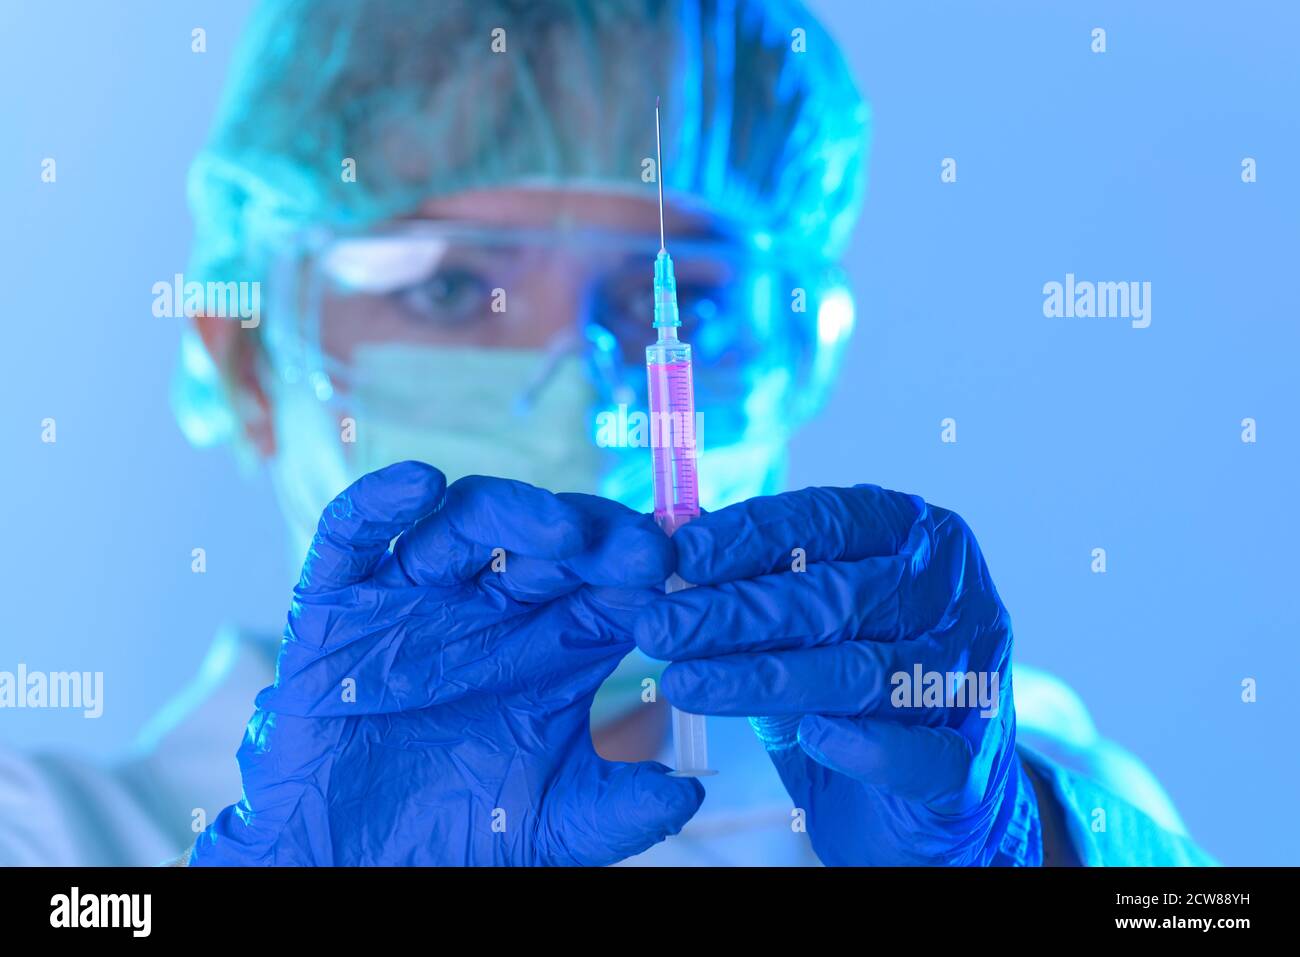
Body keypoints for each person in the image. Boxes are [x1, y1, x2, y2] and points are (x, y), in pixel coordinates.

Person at [1, 0, 1212, 867]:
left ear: (795, 357)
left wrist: (1012, 852)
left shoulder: (999, 784)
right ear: (245, 357)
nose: (578, 380)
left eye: (658, 297)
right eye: (443, 286)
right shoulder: (57, 843)